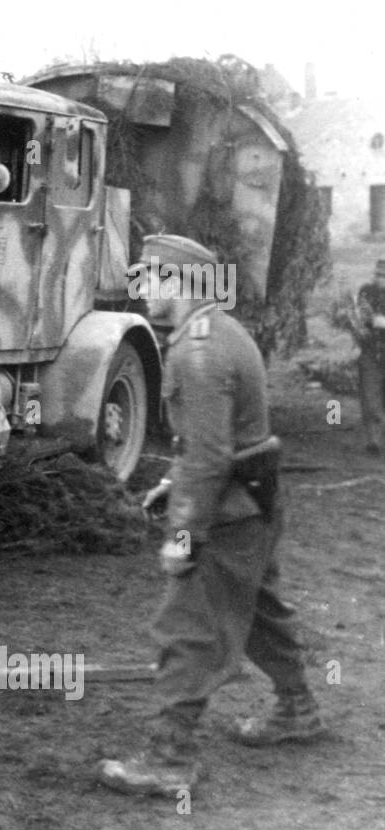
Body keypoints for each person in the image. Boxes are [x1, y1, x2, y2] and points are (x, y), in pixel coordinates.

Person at [97, 234, 327, 798]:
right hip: (254, 500)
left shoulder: (196, 349)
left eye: (149, 277)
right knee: (261, 610)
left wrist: (183, 534)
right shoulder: (222, 331)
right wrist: (174, 483)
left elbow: (209, 453)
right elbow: (220, 440)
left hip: (229, 511)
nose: (142, 288)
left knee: (189, 625)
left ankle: (171, 757)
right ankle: (297, 708)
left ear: (178, 282)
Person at [356, 259, 385, 455]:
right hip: (370, 351)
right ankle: (373, 440)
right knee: (369, 395)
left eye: (383, 275)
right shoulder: (366, 291)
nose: (378, 278)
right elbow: (359, 317)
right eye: (377, 274)